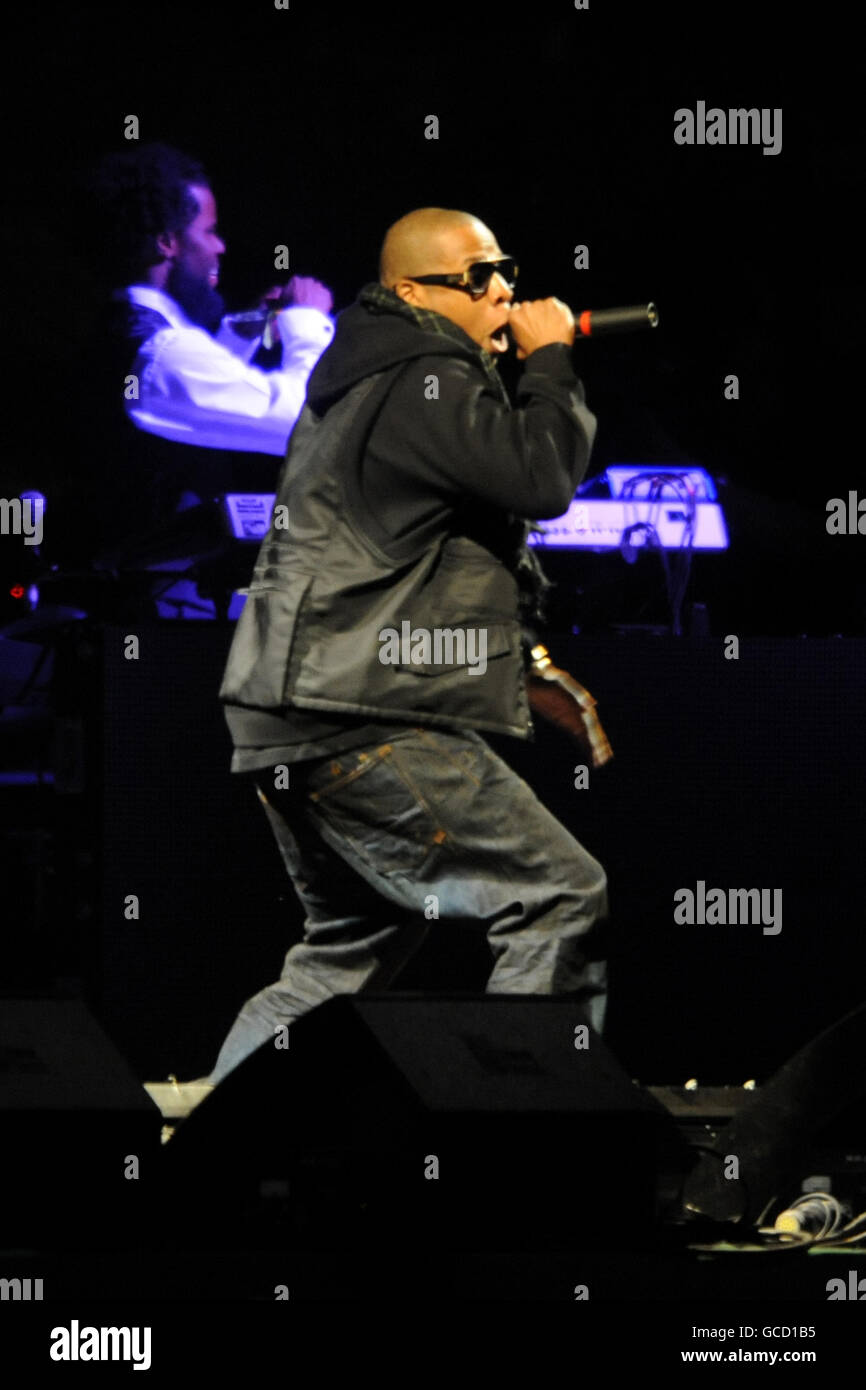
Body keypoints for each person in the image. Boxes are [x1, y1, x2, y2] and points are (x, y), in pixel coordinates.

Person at [204, 206, 608, 1086]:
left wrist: (526, 668)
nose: (505, 290)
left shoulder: (373, 373)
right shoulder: (423, 369)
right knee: (558, 896)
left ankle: (203, 1151)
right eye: (479, 276)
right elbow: (541, 478)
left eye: (506, 270)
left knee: (349, 946)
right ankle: (521, 1136)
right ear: (410, 291)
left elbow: (428, 557)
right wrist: (549, 361)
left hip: (294, 714)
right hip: (356, 713)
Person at [83, 144, 334, 616]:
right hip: (144, 626)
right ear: (167, 242)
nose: (220, 247)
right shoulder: (159, 353)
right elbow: (300, 423)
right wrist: (306, 325)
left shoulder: (127, 332)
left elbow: (197, 388)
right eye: (210, 231)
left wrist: (251, 329)